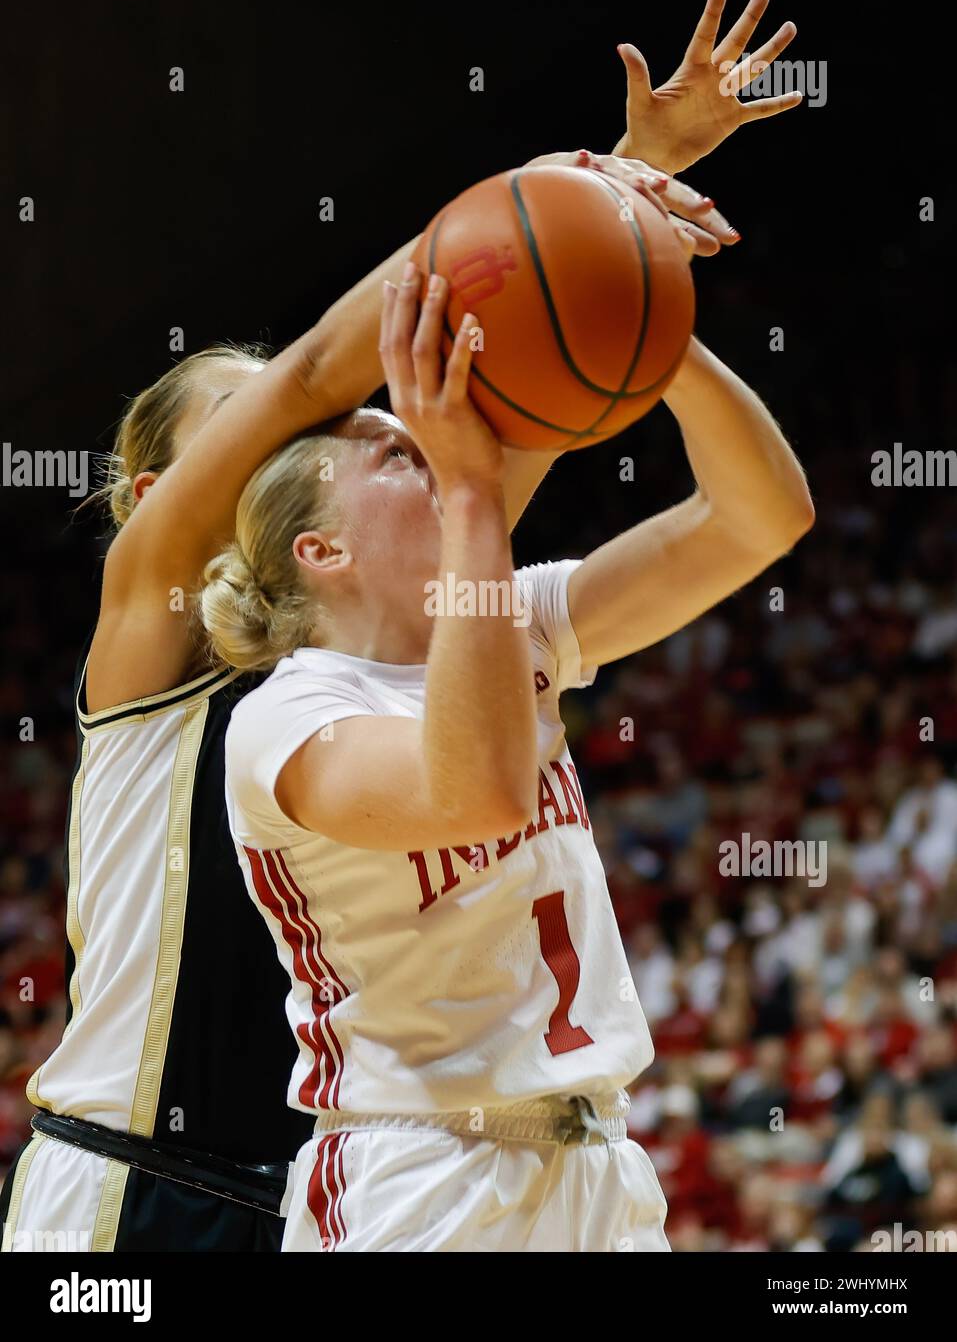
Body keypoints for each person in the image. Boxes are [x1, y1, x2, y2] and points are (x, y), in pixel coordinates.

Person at [1, 0, 800, 1252]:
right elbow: (331, 363)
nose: (311, 432)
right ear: (165, 493)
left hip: (328, 1181)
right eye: (255, 429)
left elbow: (521, 424)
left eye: (311, 435)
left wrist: (627, 203)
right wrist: (582, 174)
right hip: (126, 1182)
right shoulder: (150, 621)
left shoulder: (396, 622)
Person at [203, 197, 814, 1247]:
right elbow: (476, 788)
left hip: (600, 1163)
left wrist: (647, 328)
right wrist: (478, 495)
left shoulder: (509, 623)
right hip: (422, 1174)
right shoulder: (286, 718)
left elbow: (763, 515)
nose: (434, 453)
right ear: (322, 552)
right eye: (397, 458)